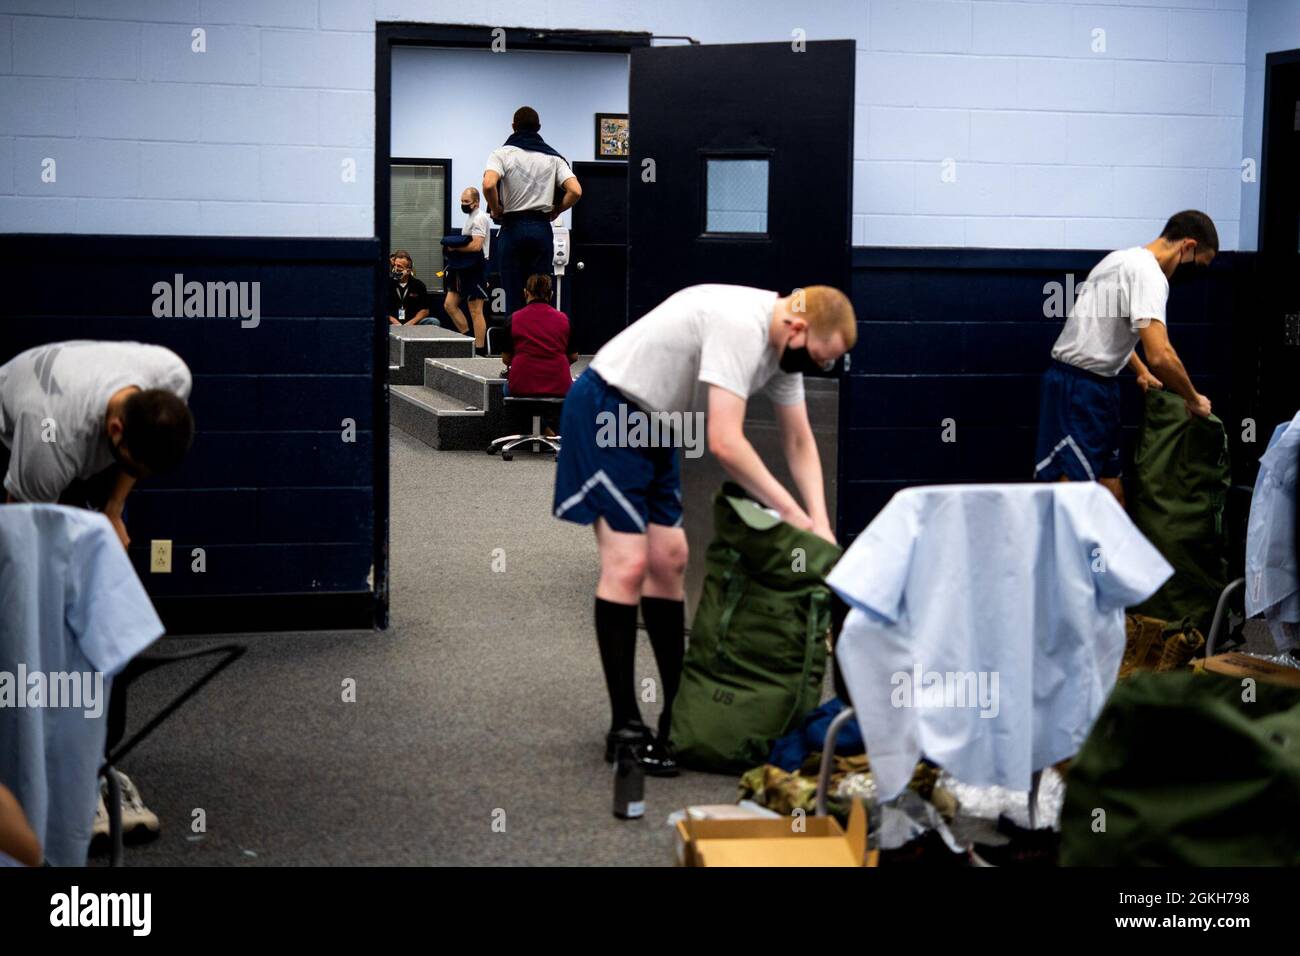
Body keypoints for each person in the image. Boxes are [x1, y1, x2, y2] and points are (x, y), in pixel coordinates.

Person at [553, 284, 856, 774]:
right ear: (799, 328)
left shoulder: (783, 348)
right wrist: (794, 516)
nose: (820, 367)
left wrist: (820, 523)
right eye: (820, 357)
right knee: (627, 565)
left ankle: (678, 716)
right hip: (609, 408)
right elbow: (724, 442)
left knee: (669, 560)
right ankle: (625, 727)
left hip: (659, 426)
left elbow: (800, 441)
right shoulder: (742, 324)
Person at [1034, 210, 1217, 504]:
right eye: (1200, 266)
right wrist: (1193, 399)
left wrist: (1140, 370)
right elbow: (1161, 354)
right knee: (1072, 494)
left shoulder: (1119, 261)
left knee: (1111, 486)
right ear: (1188, 246)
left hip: (1100, 387)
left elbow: (1107, 328)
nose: (1196, 274)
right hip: (1078, 390)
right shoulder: (1149, 275)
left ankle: (1113, 537)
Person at [0, 340, 194, 548]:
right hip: (20, 421)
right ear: (115, 429)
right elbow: (20, 531)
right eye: (133, 469)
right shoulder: (49, 441)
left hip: (75, 404)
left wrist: (113, 511)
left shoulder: (172, 376)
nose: (138, 476)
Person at [482, 106, 582, 319]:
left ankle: (514, 339)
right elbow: (575, 191)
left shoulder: (501, 154)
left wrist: (497, 208)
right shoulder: (554, 158)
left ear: (513, 126)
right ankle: (540, 338)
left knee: (513, 295)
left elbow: (489, 184)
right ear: (539, 127)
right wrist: (558, 209)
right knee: (540, 296)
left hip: (512, 228)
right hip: (541, 229)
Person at [502, 274, 576, 402]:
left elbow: (506, 359)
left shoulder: (512, 319)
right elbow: (574, 356)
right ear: (551, 294)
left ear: (525, 293)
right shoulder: (565, 319)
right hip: (560, 387)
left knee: (504, 389)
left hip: (520, 387)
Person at [445, 187, 492, 354]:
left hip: (476, 267)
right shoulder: (470, 217)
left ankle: (479, 350)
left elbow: (476, 246)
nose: (463, 204)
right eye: (462, 201)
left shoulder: (480, 218)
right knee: (450, 305)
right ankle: (468, 339)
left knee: (475, 310)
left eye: (467, 202)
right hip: (462, 267)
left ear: (476, 202)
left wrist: (454, 248)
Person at [388, 250, 431, 326]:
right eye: (395, 265)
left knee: (433, 321)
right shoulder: (387, 284)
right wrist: (395, 322)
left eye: (399, 266)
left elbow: (424, 310)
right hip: (391, 324)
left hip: (413, 324)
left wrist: (410, 324)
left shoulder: (419, 285)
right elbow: (381, 308)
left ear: (408, 270)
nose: (396, 269)